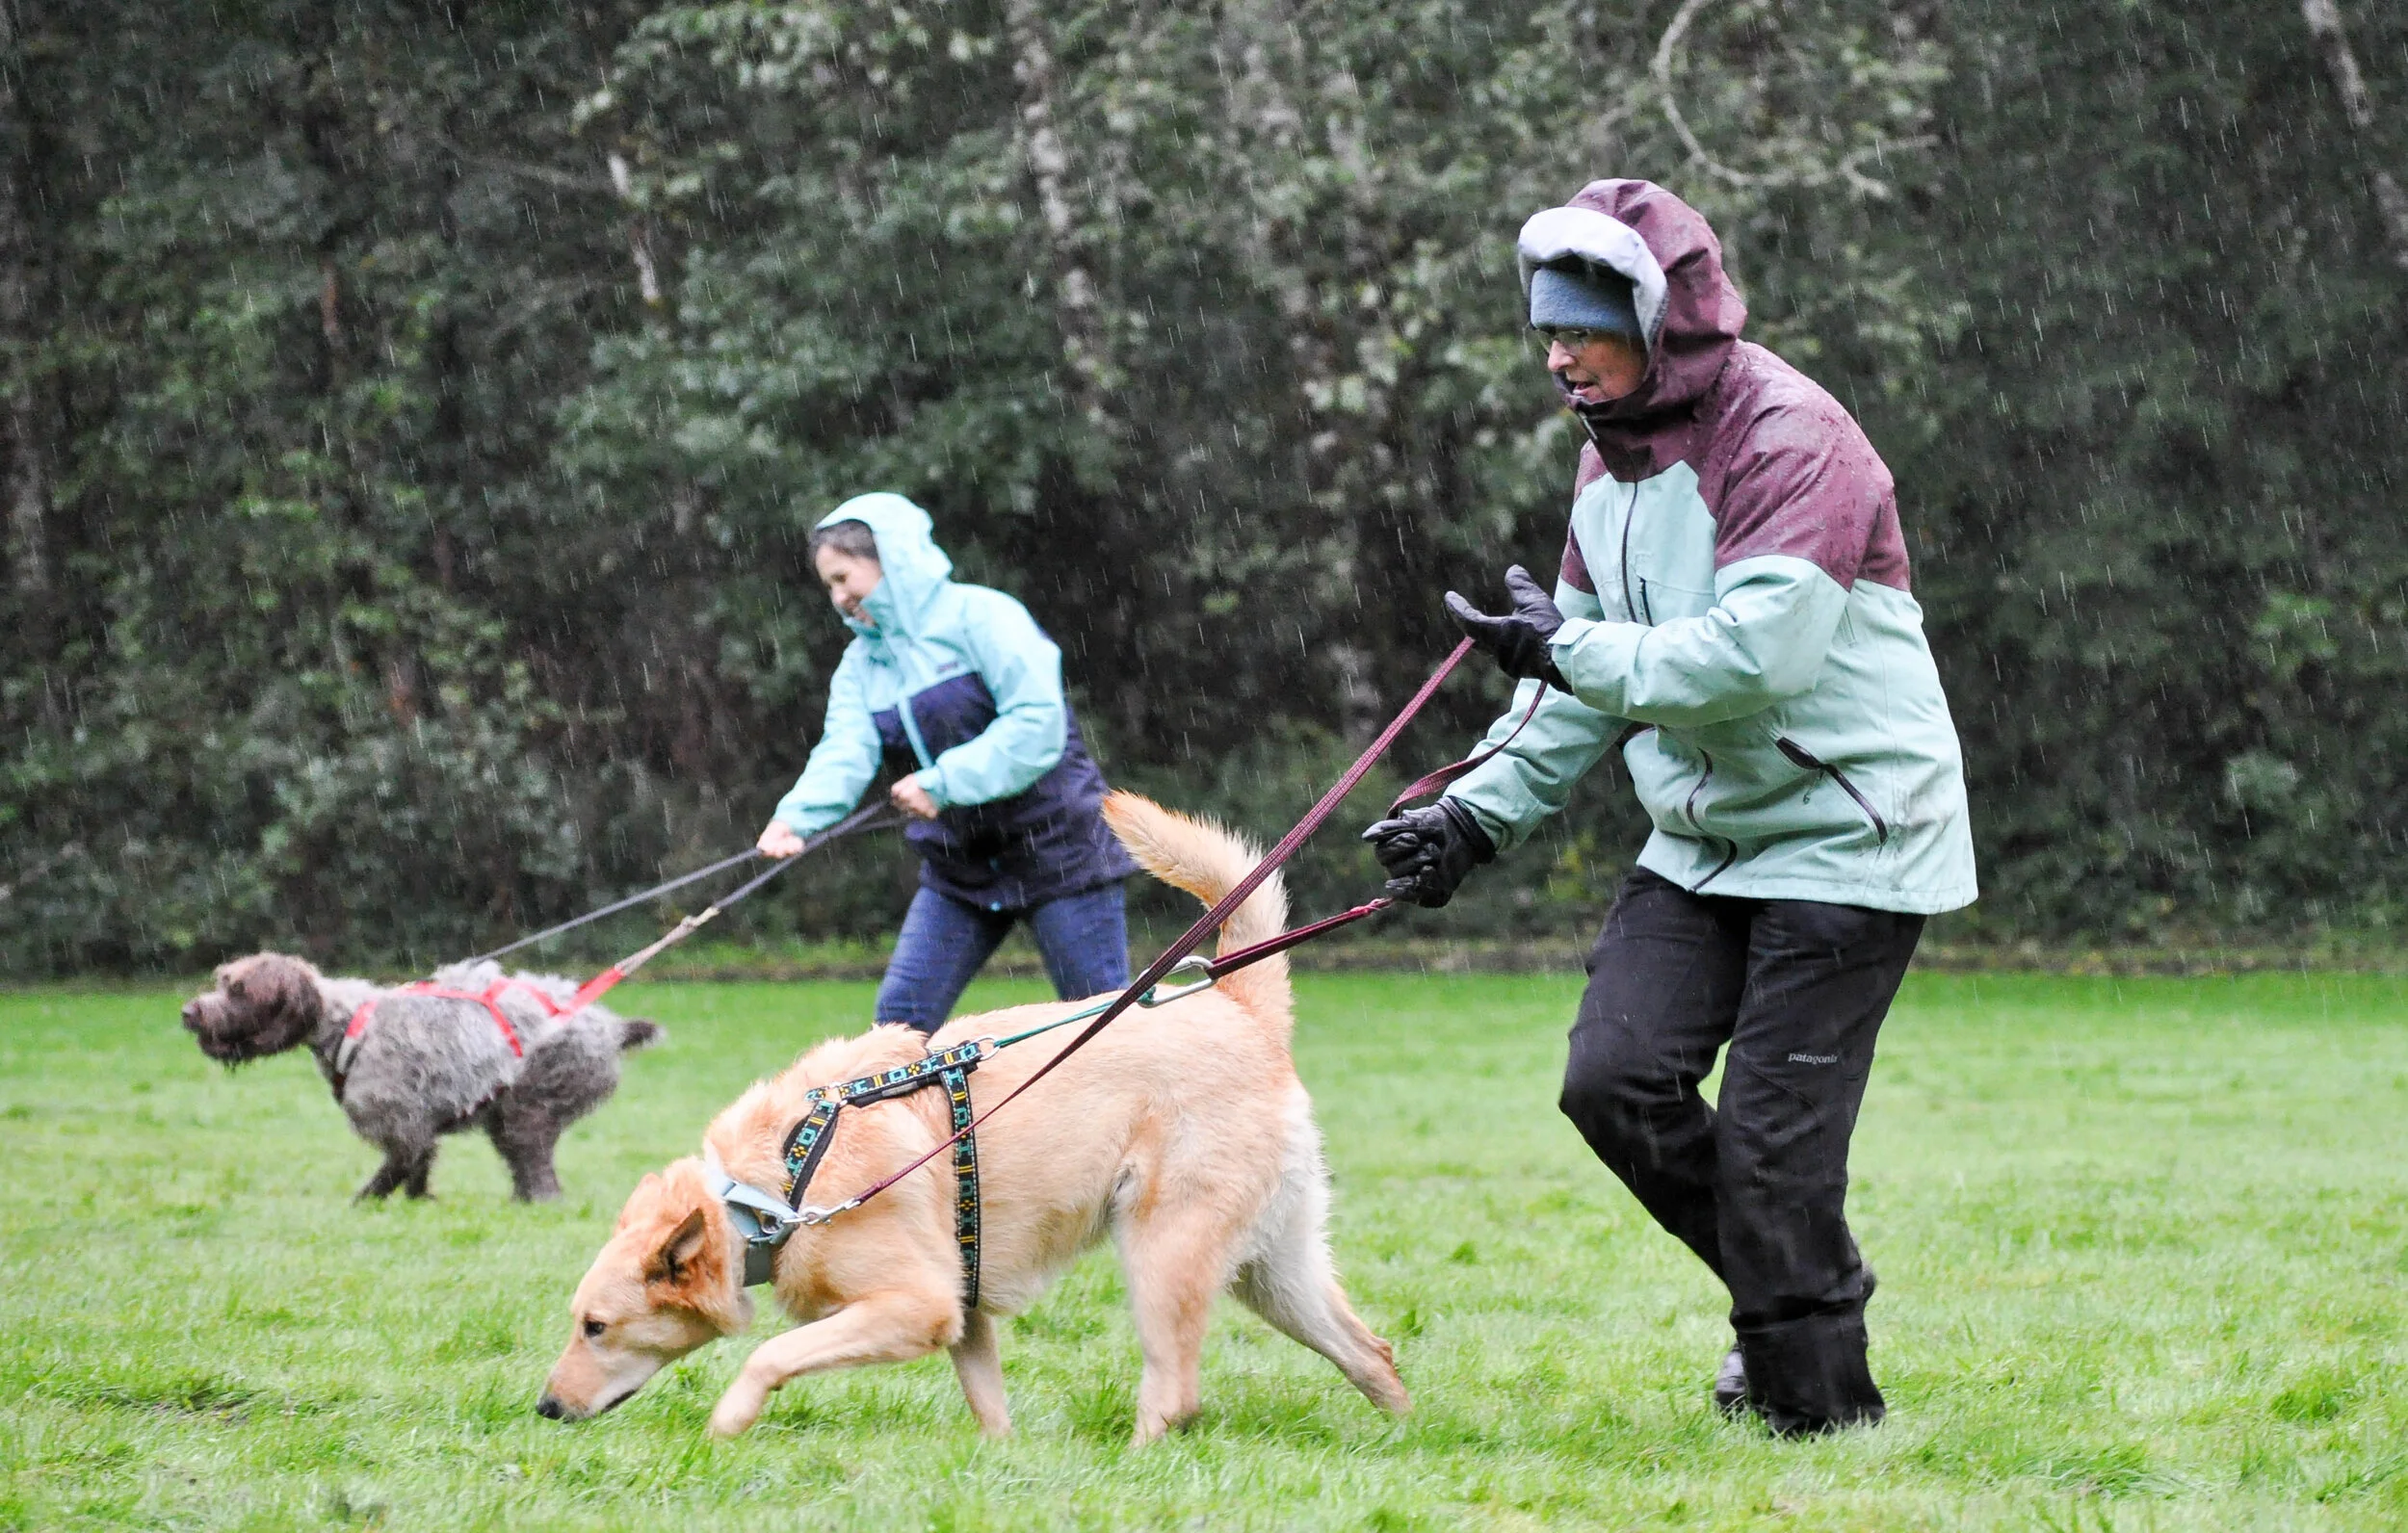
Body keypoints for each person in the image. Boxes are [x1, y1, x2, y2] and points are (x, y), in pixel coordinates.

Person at [1362, 180, 1976, 1436]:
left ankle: (1824, 1420)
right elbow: (1578, 672)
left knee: (1769, 1149)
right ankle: (1793, 1290)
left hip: (1853, 839)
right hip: (1705, 845)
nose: (1557, 351)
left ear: (1663, 320)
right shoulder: (1610, 465)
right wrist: (1473, 815)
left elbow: (1756, 656)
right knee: (1614, 1083)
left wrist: (1563, 654)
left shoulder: (1792, 439)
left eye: (1582, 325)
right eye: (1545, 327)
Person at [759, 493, 1137, 1030]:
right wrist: (795, 817)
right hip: (959, 867)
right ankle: (919, 1119)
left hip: (1059, 851)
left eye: (845, 578)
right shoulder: (861, 665)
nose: (840, 597)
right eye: (830, 588)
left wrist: (942, 783)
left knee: (1102, 1025)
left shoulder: (983, 616)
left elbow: (1036, 724)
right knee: (899, 1024)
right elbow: (844, 749)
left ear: (891, 558)